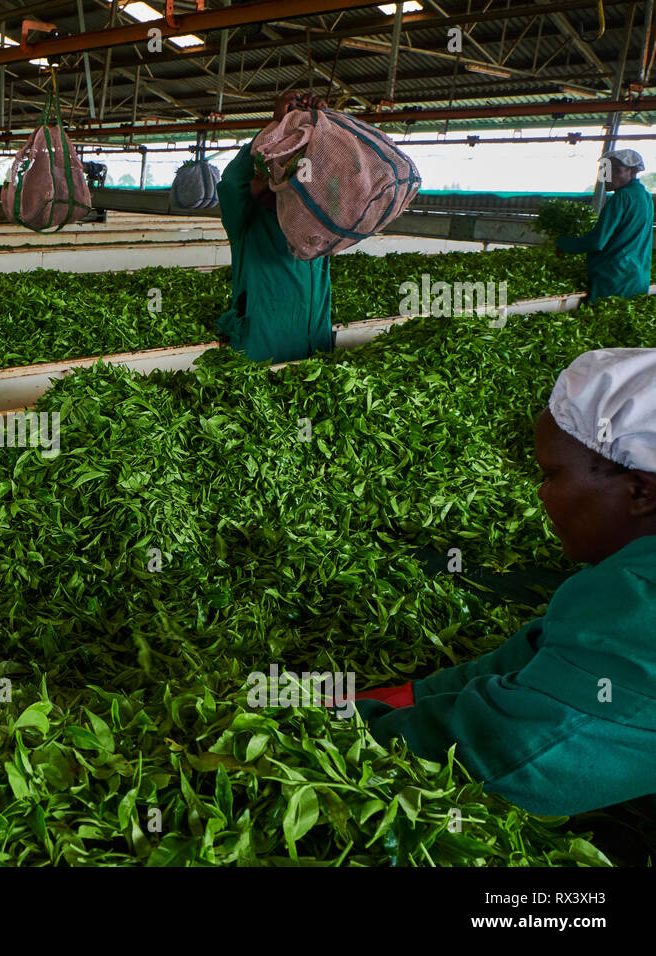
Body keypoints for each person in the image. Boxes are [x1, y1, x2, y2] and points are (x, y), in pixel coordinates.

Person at [353, 348, 656, 819]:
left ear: (639, 492)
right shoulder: (624, 582)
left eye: (551, 475)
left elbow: (510, 755)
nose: (540, 493)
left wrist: (329, 731)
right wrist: (411, 695)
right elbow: (549, 651)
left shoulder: (644, 604)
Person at [215, 92, 334, 364]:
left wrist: (324, 125)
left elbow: (338, 184)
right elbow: (233, 182)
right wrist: (276, 127)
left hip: (312, 347)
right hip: (261, 351)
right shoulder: (248, 221)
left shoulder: (317, 227)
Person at [556, 148, 653, 302]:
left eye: (615, 170)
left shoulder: (622, 197)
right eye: (605, 170)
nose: (607, 176)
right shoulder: (645, 197)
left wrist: (564, 243)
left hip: (614, 279)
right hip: (637, 277)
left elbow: (597, 242)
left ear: (632, 171)